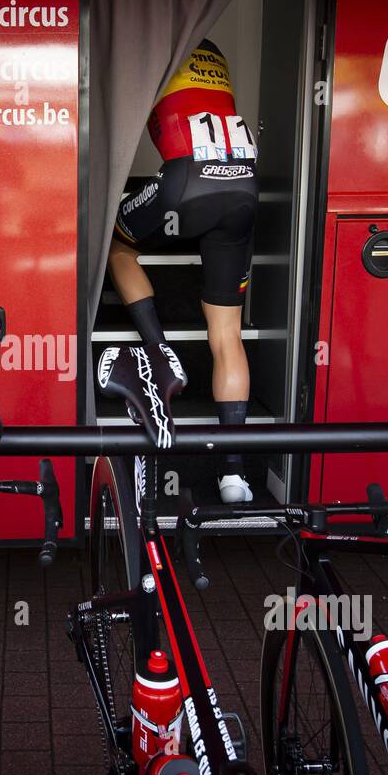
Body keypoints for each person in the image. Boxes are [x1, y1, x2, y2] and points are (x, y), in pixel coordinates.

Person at [106, 38, 259, 503]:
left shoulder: (150, 46)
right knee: (226, 335)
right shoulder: (214, 49)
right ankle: (234, 476)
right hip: (243, 187)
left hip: (186, 181)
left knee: (117, 247)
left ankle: (160, 352)